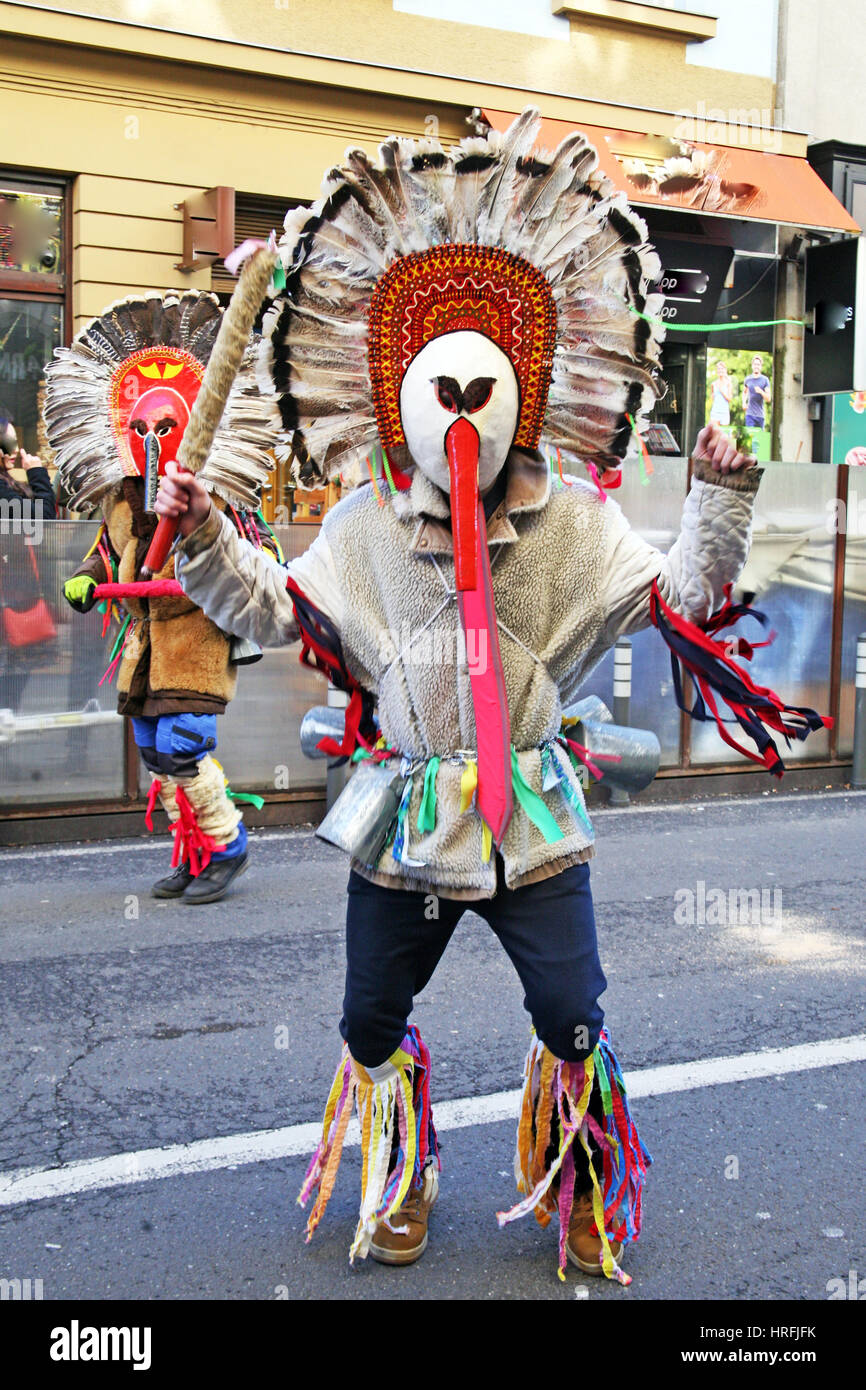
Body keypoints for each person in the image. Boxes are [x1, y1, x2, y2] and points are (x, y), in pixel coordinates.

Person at [158, 111, 827, 1283]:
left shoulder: (570, 520)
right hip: (407, 819)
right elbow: (271, 605)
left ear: (523, 384)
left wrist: (719, 500)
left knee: (572, 1016)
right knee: (368, 1020)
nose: (462, 407)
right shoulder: (362, 526)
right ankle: (402, 1174)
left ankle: (575, 1181)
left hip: (530, 815)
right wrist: (206, 532)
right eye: (440, 384)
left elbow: (673, 594)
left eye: (484, 382)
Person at [43, 290, 279, 904]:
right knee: (152, 748)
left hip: (196, 641)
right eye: (140, 428)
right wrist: (89, 578)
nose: (151, 438)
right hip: (145, 646)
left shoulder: (216, 495)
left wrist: (212, 558)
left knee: (182, 742)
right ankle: (191, 852)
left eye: (166, 426)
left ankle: (227, 845)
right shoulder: (121, 499)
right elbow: (105, 551)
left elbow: (261, 559)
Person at [0, 414, 58, 714]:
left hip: (11, 600)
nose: (13, 451)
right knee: (8, 691)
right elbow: (44, 518)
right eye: (7, 443)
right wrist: (36, 473)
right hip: (8, 604)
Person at [743, 354, 771, 429]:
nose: (756, 366)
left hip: (760, 415)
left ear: (761, 367)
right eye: (755, 364)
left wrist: (761, 392)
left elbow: (768, 399)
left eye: (758, 365)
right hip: (750, 414)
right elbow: (745, 392)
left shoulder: (765, 380)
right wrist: (744, 402)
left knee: (758, 439)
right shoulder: (747, 379)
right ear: (752, 366)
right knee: (749, 437)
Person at [708, 359, 733, 427]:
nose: (720, 370)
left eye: (722, 369)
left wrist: (722, 391)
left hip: (724, 412)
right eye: (718, 369)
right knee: (714, 433)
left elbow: (730, 399)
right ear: (717, 371)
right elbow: (712, 397)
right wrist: (712, 396)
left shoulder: (728, 384)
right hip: (715, 412)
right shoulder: (713, 384)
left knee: (723, 435)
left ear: (725, 370)